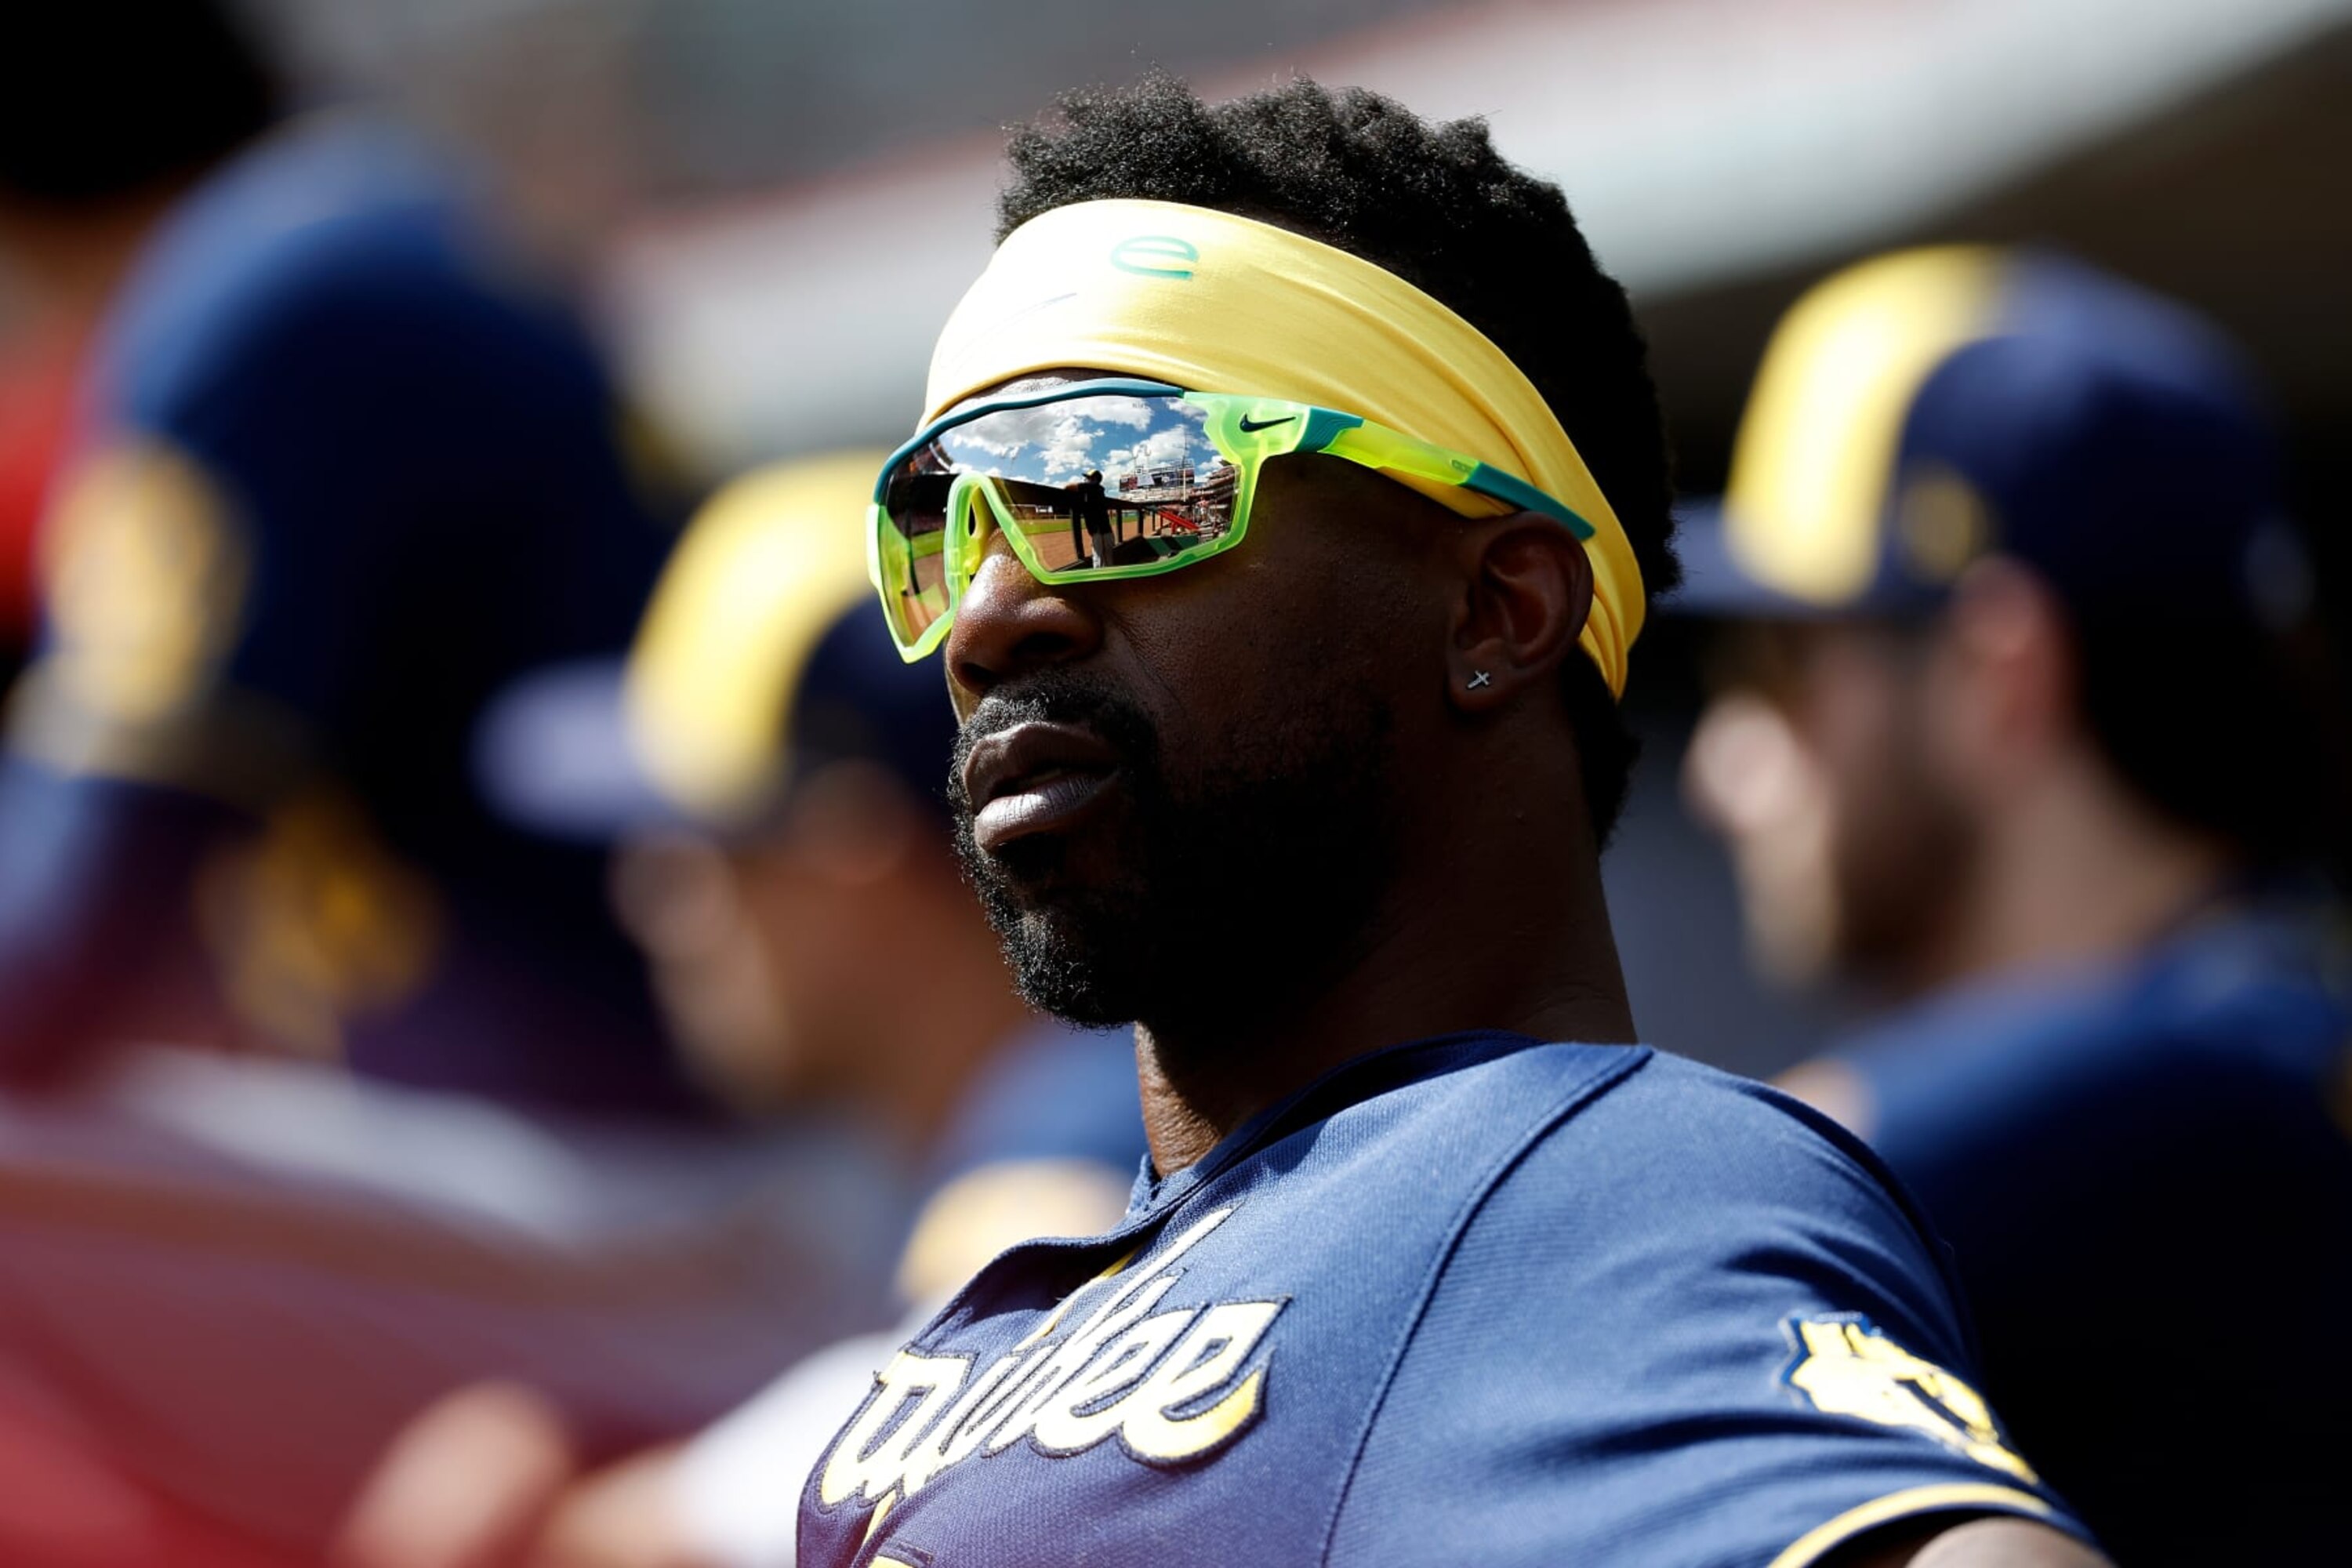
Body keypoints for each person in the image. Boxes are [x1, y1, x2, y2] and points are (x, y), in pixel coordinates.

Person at [804, 75, 2106, 1567]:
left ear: (1498, 607)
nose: (986, 617)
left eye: (1121, 484)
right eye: (946, 519)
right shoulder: (1017, 1323)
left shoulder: (1581, 1189)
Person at [339, 456, 1145, 1568]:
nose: (647, 897)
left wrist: (617, 1529)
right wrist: (604, 1447)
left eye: (697, 840)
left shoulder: (1085, 1122)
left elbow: (1011, 1441)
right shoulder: (1060, 1090)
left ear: (848, 847)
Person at [1677, 246, 2351, 1564]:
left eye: (1780, 667)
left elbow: (1629, 1223)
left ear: (2001, 675)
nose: (1719, 768)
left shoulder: (2222, 1085)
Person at [0, 0, 696, 1114]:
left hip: (593, 1124)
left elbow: (81, 913)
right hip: (664, 1045)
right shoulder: (381, 209)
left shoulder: (249, 307)